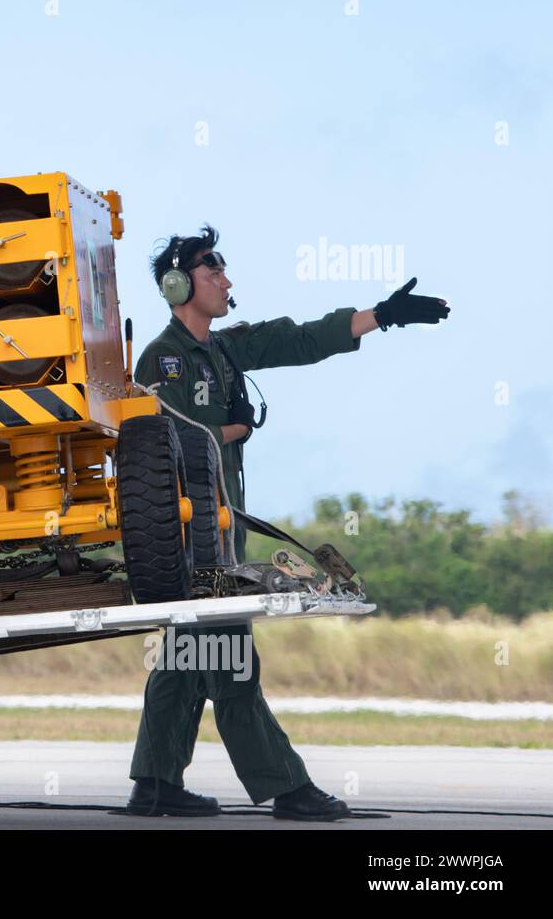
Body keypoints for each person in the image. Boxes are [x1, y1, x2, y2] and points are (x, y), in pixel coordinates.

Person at [125, 225, 449, 820]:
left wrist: (381, 315)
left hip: (220, 532)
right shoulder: (161, 360)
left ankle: (155, 784)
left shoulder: (223, 351)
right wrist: (235, 430)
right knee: (229, 662)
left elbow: (296, 340)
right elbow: (164, 439)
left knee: (185, 659)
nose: (225, 280)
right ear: (177, 284)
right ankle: (287, 788)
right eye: (211, 269)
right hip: (188, 540)